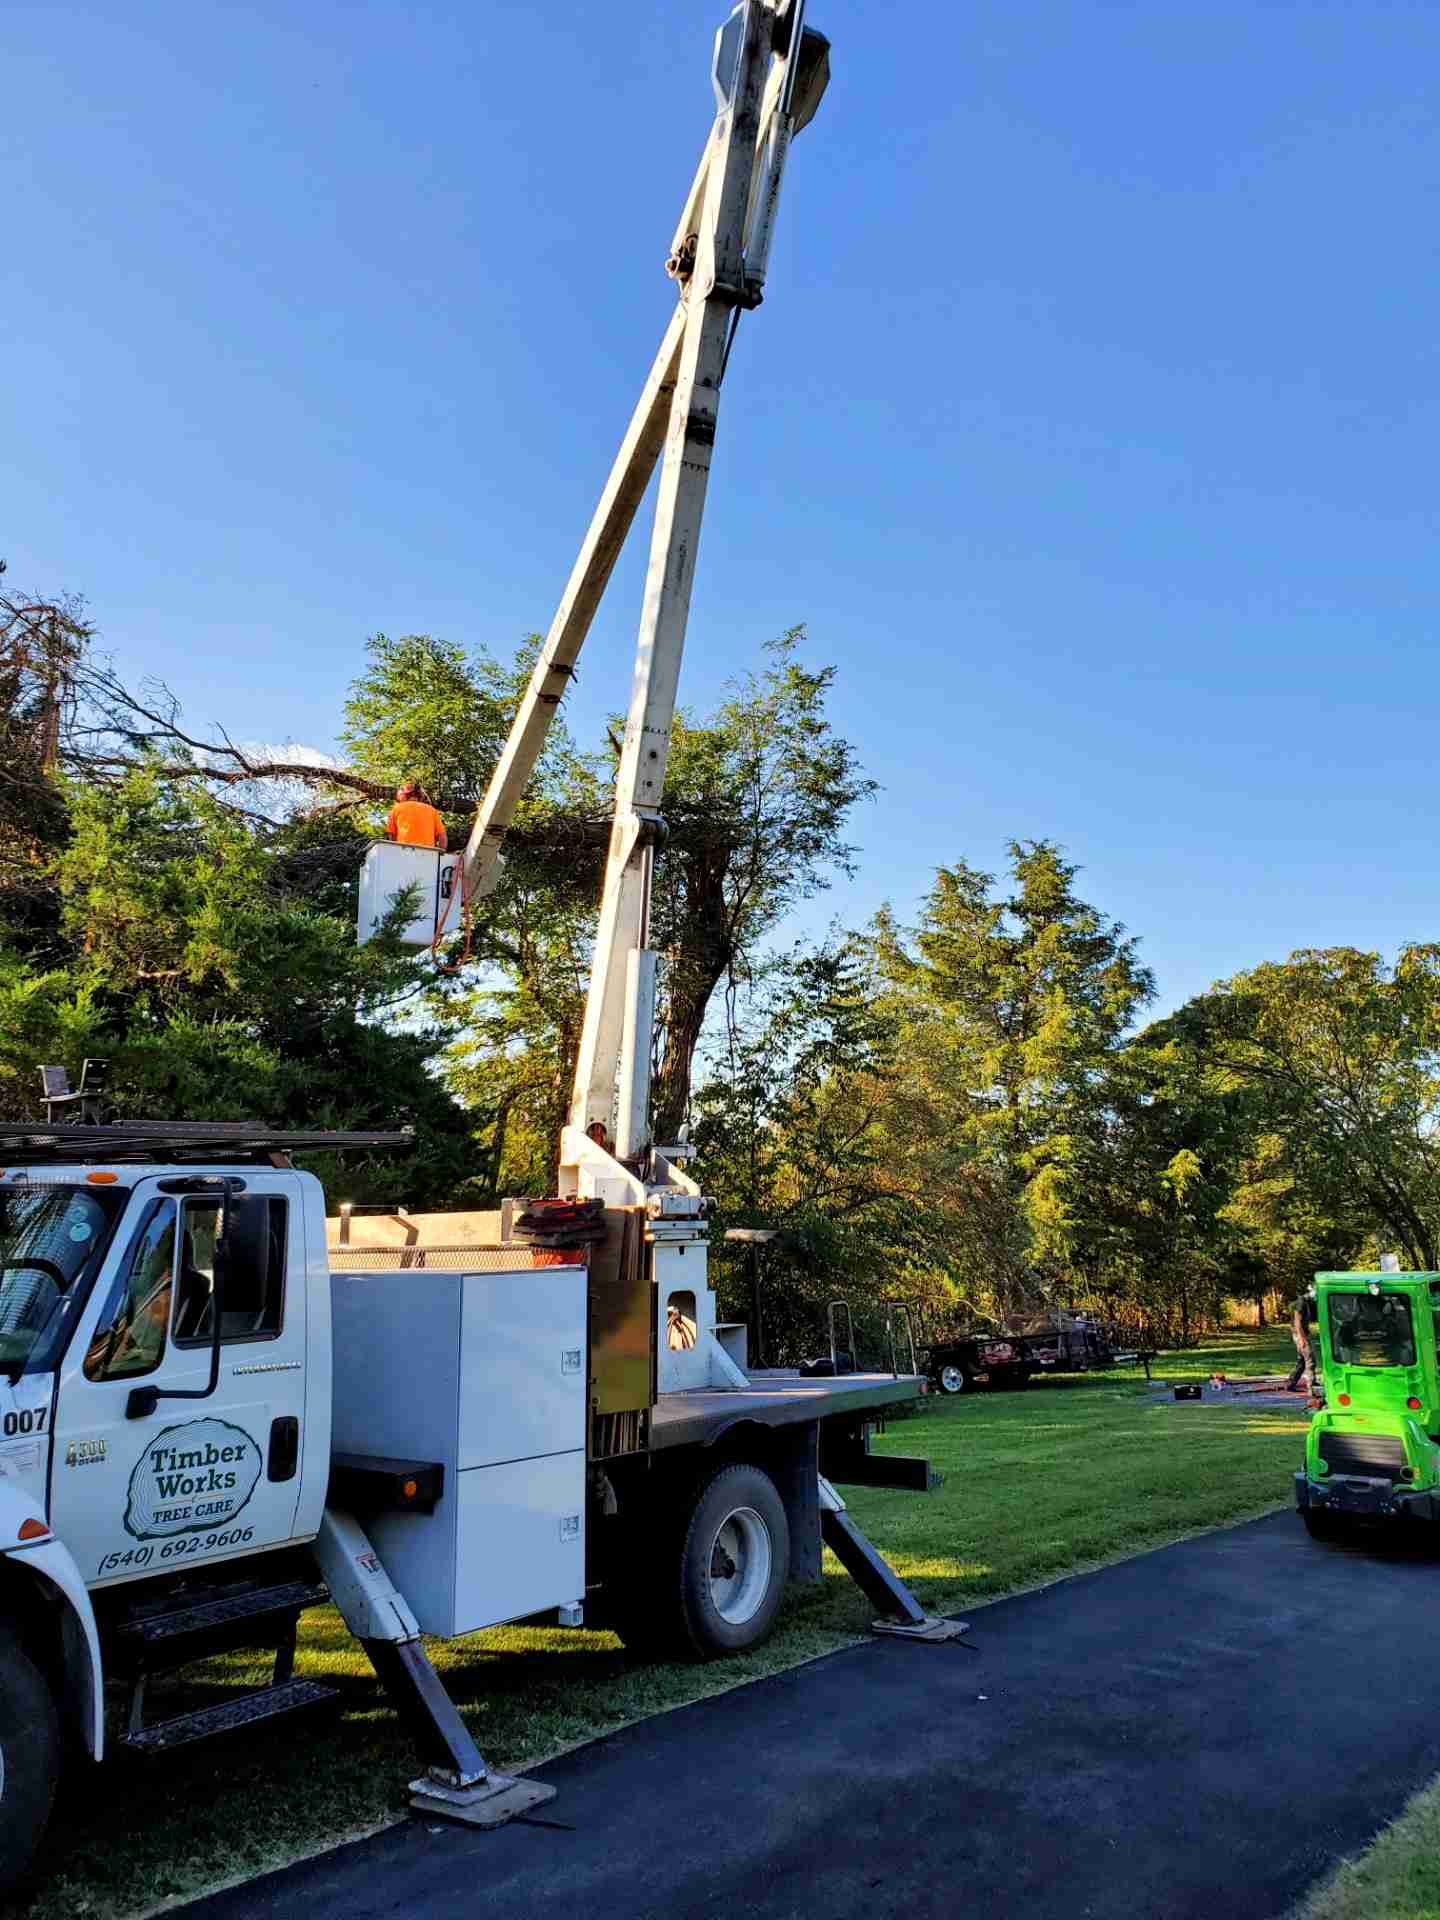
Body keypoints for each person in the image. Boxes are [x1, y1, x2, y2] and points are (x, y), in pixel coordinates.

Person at [385, 780, 447, 851]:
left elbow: (392, 835)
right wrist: (441, 853)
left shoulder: (396, 809)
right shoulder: (432, 810)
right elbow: (442, 836)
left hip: (403, 852)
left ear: (404, 795)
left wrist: (395, 851)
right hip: (428, 853)